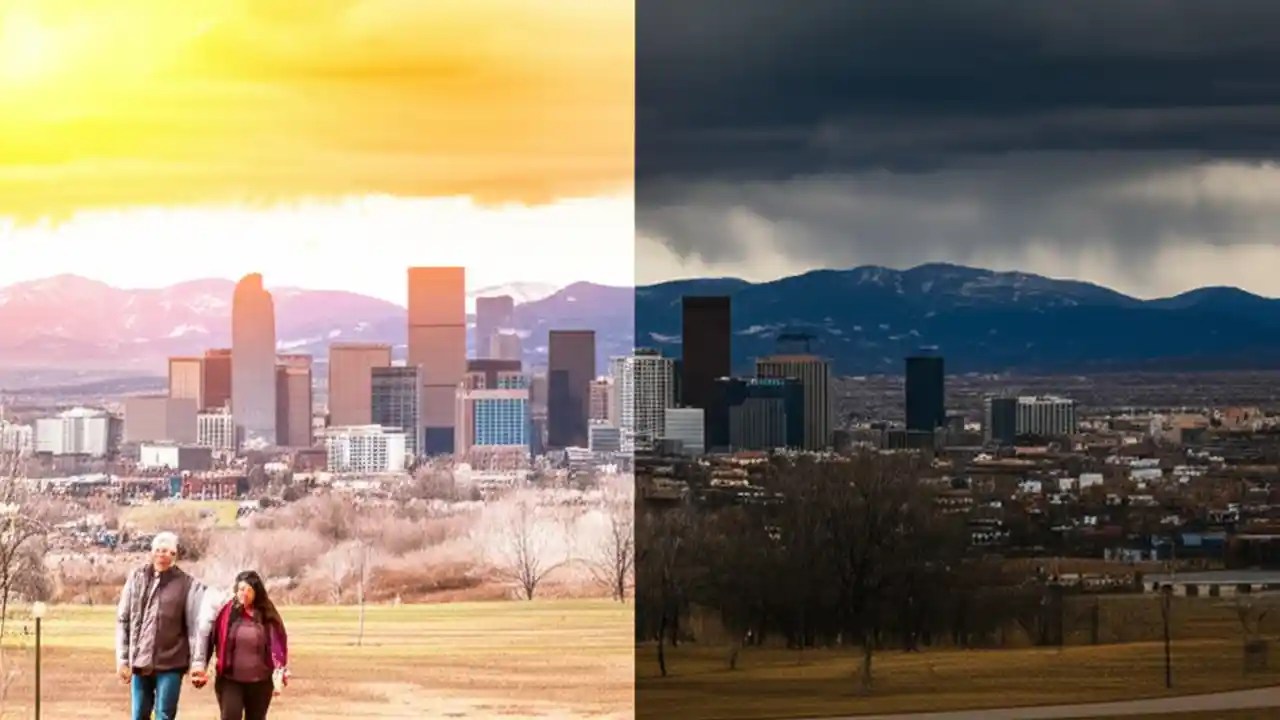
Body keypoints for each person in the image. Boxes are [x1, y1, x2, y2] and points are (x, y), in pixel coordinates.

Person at [115, 531, 207, 720]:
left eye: (166, 550)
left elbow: (195, 627)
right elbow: (124, 620)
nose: (161, 554)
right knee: (138, 714)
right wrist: (123, 661)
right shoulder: (137, 578)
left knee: (164, 714)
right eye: (157, 550)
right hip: (140, 661)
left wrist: (197, 663)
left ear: (174, 555)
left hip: (171, 662)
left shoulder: (187, 584)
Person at [192, 570, 290, 720]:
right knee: (230, 716)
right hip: (230, 678)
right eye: (241, 589)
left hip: (260, 681)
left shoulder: (266, 614)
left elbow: (277, 643)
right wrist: (201, 666)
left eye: (249, 590)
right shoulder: (225, 613)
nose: (244, 593)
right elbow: (209, 636)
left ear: (257, 592)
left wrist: (279, 670)